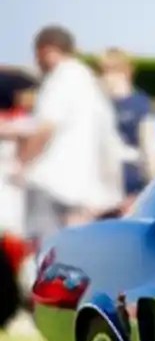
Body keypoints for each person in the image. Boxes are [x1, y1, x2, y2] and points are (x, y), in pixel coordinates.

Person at [0, 26, 124, 246]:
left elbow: (45, 128)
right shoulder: (86, 79)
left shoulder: (60, 78)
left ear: (46, 50)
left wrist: (22, 164)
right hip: (82, 183)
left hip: (52, 182)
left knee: (46, 250)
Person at [99, 48, 155, 195]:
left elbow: (151, 148)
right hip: (104, 181)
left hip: (130, 179)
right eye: (106, 70)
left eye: (113, 69)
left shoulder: (140, 104)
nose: (109, 76)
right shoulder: (96, 104)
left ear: (127, 71)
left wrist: (154, 184)